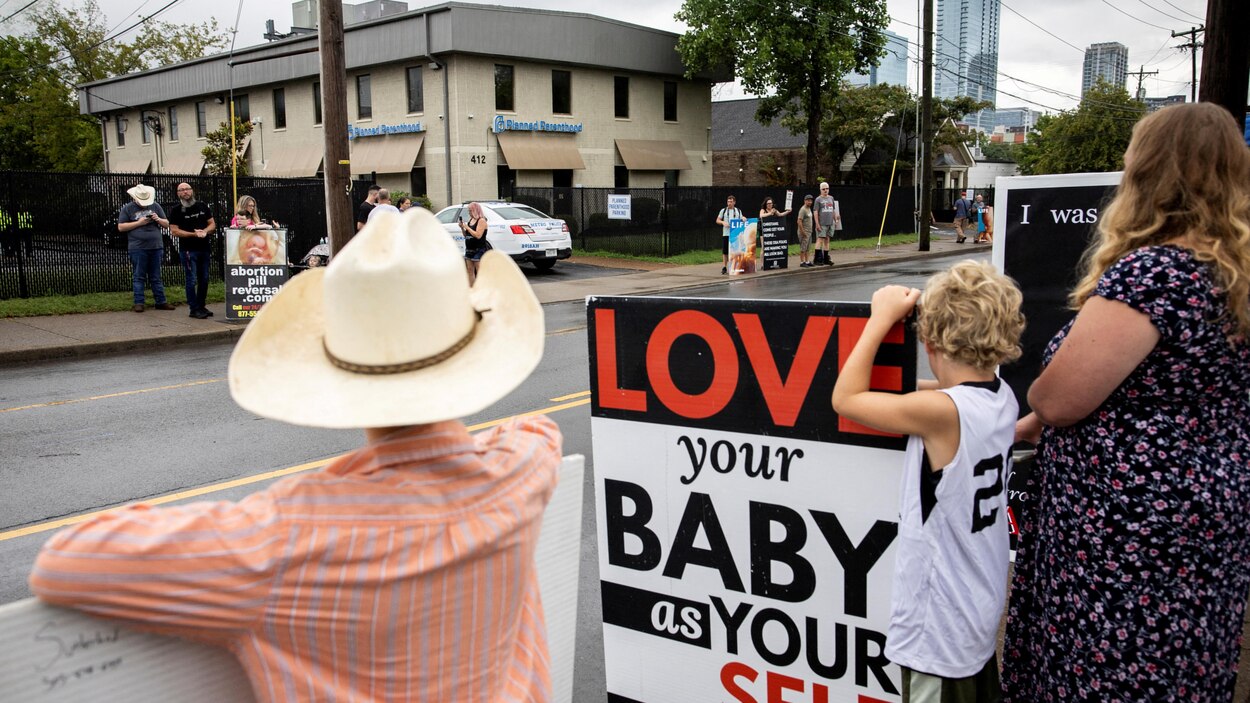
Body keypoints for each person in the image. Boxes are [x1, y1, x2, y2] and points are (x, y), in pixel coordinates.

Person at [29, 207, 561, 703]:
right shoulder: (520, 470)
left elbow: (65, 562)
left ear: (336, 367)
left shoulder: (283, 536)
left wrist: (337, 483)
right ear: (470, 349)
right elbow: (535, 430)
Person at [1002, 103, 1250, 702]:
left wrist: (1036, 409)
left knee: (1107, 669)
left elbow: (1060, 398)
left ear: (1146, 173)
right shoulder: (1231, 273)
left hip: (1125, 531)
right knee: (1181, 663)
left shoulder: (1155, 274)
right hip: (1203, 512)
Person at [832, 260, 1024, 703]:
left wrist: (880, 319)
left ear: (930, 340)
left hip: (939, 625)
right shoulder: (1000, 396)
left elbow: (846, 398)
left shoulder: (943, 414)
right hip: (976, 606)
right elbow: (918, 393)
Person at [117, 183, 176, 313]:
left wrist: (158, 219)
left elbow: (167, 224)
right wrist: (139, 223)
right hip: (138, 247)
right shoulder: (127, 209)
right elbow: (121, 227)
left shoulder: (155, 206)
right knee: (139, 275)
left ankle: (161, 301)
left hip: (156, 246)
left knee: (156, 276)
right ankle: (139, 302)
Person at [167, 182, 217, 319]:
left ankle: (201, 305)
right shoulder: (176, 210)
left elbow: (212, 224)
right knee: (191, 279)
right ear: (178, 194)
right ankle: (193, 308)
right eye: (181, 190)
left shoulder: (202, 206)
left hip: (204, 248)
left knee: (205, 278)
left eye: (187, 189)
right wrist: (193, 234)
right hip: (188, 250)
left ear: (192, 191)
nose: (185, 192)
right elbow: (174, 230)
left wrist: (205, 232)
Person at [459, 201, 490, 285]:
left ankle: (482, 288)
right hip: (469, 249)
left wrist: (467, 228)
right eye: (468, 211)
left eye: (470, 210)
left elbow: (478, 235)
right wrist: (462, 228)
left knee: (479, 271)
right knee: (469, 270)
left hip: (478, 249)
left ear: (475, 210)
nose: (469, 213)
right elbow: (466, 235)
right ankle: (472, 288)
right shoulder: (471, 220)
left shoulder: (481, 221)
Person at [715, 194, 743, 275]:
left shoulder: (738, 211)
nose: (729, 203)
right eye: (728, 201)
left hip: (735, 234)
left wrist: (743, 218)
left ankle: (736, 266)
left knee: (735, 250)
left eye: (731, 202)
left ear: (734, 202)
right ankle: (724, 267)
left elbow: (741, 218)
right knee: (725, 251)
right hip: (726, 234)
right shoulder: (723, 210)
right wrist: (723, 222)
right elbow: (717, 220)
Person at [814, 182, 839, 266]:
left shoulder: (831, 198)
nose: (825, 190)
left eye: (827, 188)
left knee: (827, 240)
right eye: (823, 189)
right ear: (820, 190)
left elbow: (833, 210)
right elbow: (815, 212)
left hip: (830, 223)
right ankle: (817, 259)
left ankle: (825, 258)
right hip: (822, 223)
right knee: (820, 239)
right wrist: (817, 224)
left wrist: (835, 220)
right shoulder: (818, 199)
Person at [797, 193, 816, 267]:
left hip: (809, 232)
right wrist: (803, 232)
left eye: (811, 200)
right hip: (804, 232)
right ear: (805, 201)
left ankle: (807, 261)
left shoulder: (809, 208)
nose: (810, 202)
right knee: (803, 248)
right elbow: (799, 221)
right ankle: (802, 262)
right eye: (808, 200)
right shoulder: (803, 209)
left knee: (808, 248)